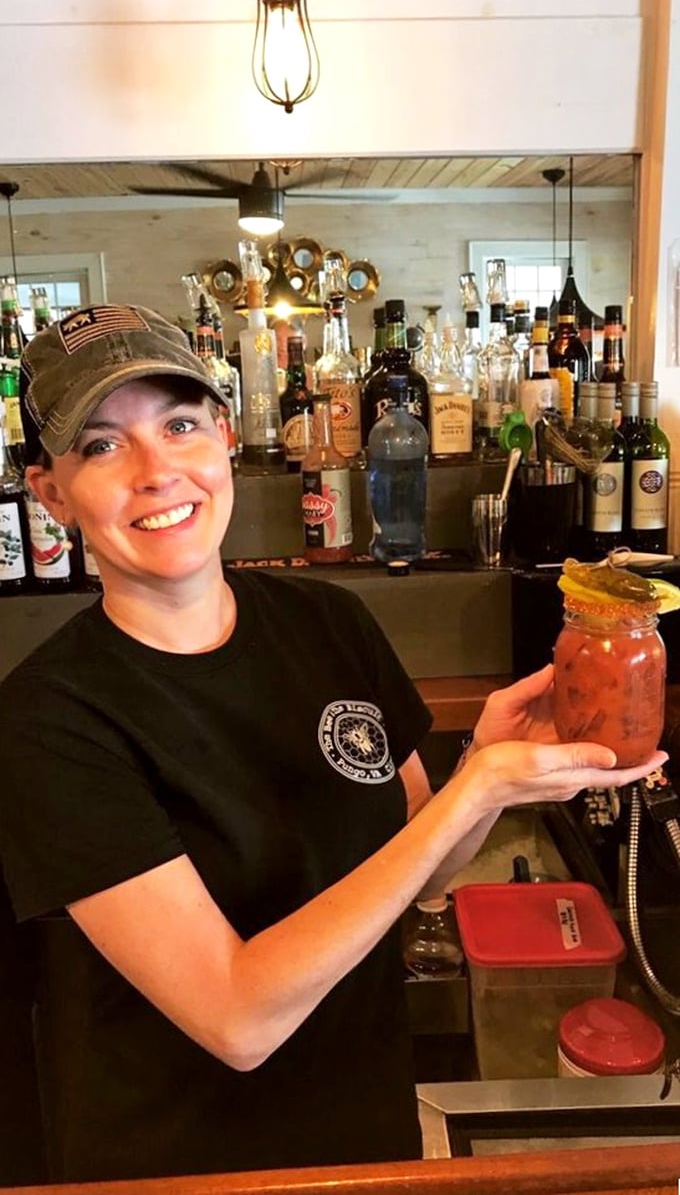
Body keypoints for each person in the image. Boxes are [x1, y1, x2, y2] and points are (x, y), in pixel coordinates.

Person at [0, 304, 665, 1184]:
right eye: (101, 445)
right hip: (179, 1163)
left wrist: (483, 775)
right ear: (50, 492)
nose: (159, 472)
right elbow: (237, 1018)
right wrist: (476, 794)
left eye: (181, 424)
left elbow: (417, 873)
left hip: (364, 1131)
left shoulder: (330, 622)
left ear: (226, 438)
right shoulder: (50, 718)